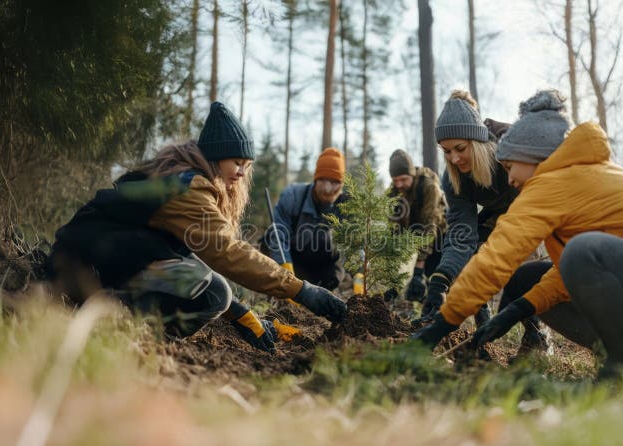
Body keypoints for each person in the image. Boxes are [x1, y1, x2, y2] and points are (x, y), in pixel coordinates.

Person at [411, 90, 623, 380]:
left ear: (530, 157)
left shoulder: (552, 183)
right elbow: (578, 268)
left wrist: (442, 325)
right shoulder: (569, 176)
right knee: (544, 272)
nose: (509, 179)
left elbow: (500, 254)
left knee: (581, 252)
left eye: (509, 167)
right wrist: (518, 309)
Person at [48, 102, 346, 353]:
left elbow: (186, 256)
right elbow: (227, 252)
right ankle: (117, 319)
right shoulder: (190, 189)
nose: (242, 173)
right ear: (216, 158)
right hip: (84, 264)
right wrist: (302, 291)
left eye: (247, 164)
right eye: (236, 162)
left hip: (96, 256)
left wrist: (242, 314)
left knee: (213, 289)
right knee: (214, 292)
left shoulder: (184, 177)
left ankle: (113, 310)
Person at [418, 89, 548, 354]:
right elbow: (462, 234)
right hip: (498, 215)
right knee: (471, 255)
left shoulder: (510, 149)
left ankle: (537, 336)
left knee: (521, 266)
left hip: (533, 210)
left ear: (476, 141)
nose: (454, 158)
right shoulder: (453, 177)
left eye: (460, 148)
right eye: (446, 151)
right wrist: (440, 280)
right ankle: (483, 328)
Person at [266, 148, 348, 291]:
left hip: (325, 266)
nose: (328, 188)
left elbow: (358, 244)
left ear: (342, 184)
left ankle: (323, 291)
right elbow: (279, 234)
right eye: (323, 181)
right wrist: (285, 266)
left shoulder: (348, 205)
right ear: (315, 179)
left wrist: (361, 275)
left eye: (335, 182)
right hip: (295, 261)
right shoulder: (293, 196)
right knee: (268, 237)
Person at [386, 149, 447, 302]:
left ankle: (442, 311)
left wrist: (419, 269)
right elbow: (394, 229)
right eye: (395, 180)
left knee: (435, 277)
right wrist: (393, 278)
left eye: (403, 179)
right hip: (415, 236)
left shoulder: (428, 186)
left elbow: (430, 224)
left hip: (441, 235)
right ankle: (422, 308)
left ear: (412, 174)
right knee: (416, 285)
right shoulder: (393, 193)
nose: (399, 184)